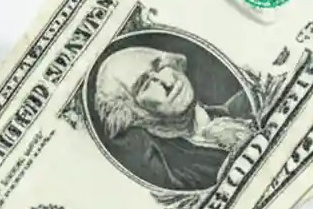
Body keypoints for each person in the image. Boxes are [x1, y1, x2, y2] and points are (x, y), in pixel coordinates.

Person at [93, 46, 254, 191]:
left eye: (160, 66)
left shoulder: (245, 102)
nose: (167, 81)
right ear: (133, 114)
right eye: (145, 84)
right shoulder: (178, 176)